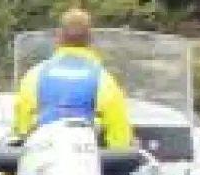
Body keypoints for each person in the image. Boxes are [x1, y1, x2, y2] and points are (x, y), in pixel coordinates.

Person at [13, 8, 134, 151]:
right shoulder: (104, 79)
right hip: (86, 164)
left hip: (43, 160)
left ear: (59, 37)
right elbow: (120, 137)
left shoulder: (34, 75)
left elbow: (21, 128)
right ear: (90, 38)